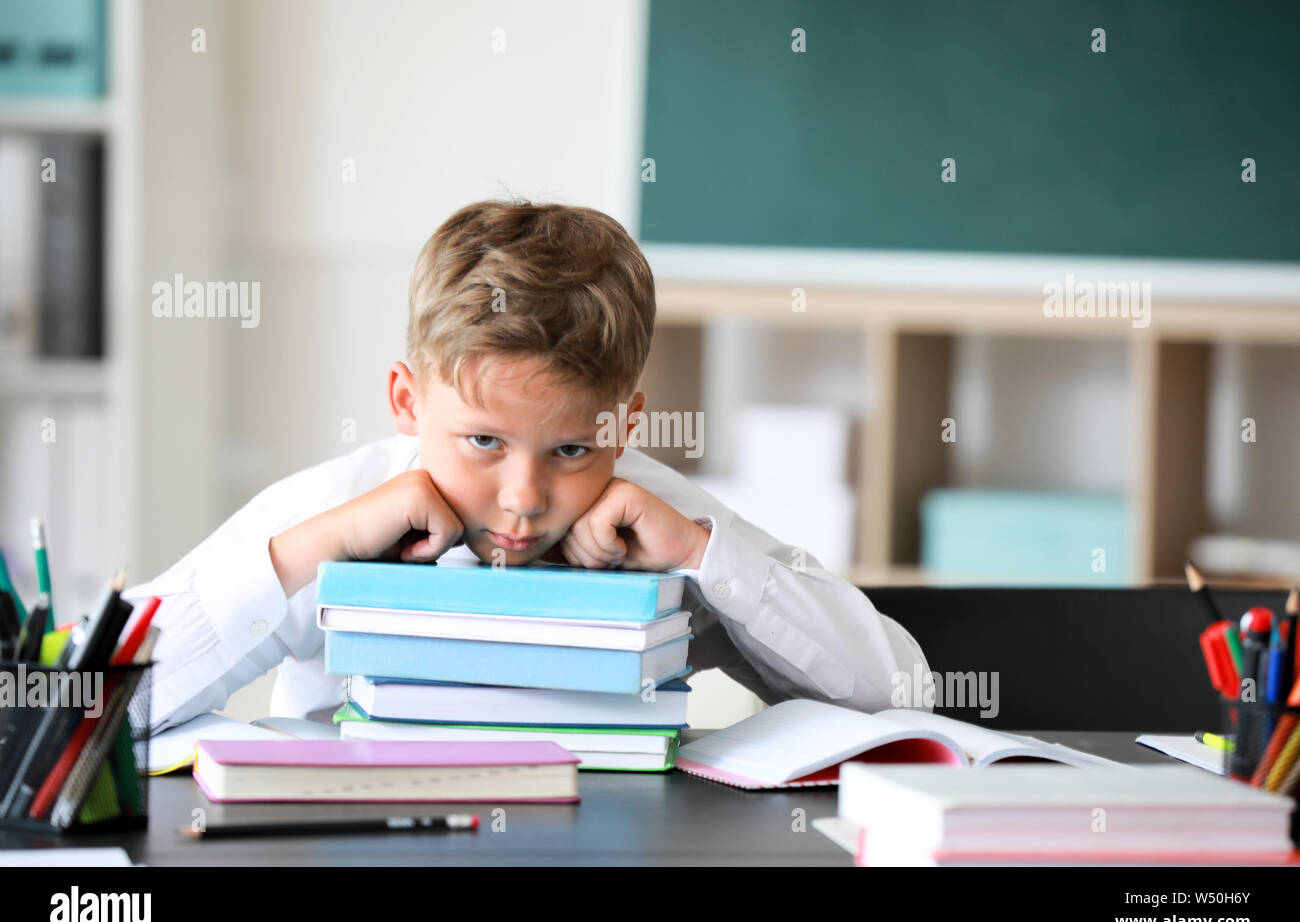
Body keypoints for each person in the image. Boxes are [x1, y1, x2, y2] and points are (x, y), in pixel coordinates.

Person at [127, 199, 928, 734]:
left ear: (624, 426)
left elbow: (900, 695)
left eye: (573, 450)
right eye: (483, 443)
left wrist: (701, 556)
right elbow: (91, 714)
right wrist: (307, 555)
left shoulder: (659, 519)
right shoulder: (335, 510)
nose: (523, 499)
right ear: (407, 401)